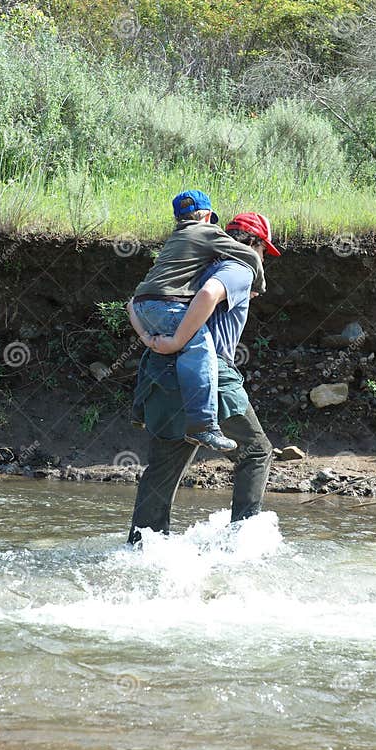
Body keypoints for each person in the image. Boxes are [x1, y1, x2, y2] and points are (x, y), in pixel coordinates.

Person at [127, 212, 281, 547]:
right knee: (255, 452)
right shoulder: (239, 267)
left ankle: (142, 548)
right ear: (253, 244)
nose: (263, 259)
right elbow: (210, 294)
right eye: (264, 252)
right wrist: (184, 339)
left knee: (163, 469)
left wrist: (160, 340)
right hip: (210, 373)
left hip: (163, 374)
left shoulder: (192, 265)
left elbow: (137, 301)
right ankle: (241, 546)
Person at [126, 190, 268, 454]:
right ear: (205, 216)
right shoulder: (208, 233)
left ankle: (140, 410)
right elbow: (246, 256)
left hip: (143, 303)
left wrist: (146, 338)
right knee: (201, 347)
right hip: (168, 304)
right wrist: (258, 282)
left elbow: (132, 303)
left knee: (157, 348)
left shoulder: (174, 241)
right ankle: (204, 425)